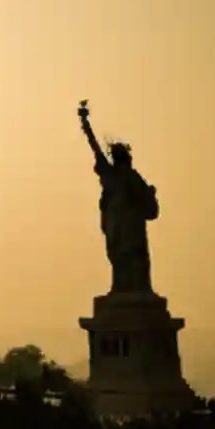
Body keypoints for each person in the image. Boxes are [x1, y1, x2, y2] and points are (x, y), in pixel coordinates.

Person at [78, 101, 160, 293]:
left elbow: (148, 205)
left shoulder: (120, 175)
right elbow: (96, 148)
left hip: (124, 224)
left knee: (126, 256)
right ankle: (128, 289)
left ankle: (129, 289)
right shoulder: (121, 175)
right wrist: (86, 124)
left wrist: (85, 124)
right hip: (123, 224)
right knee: (128, 256)